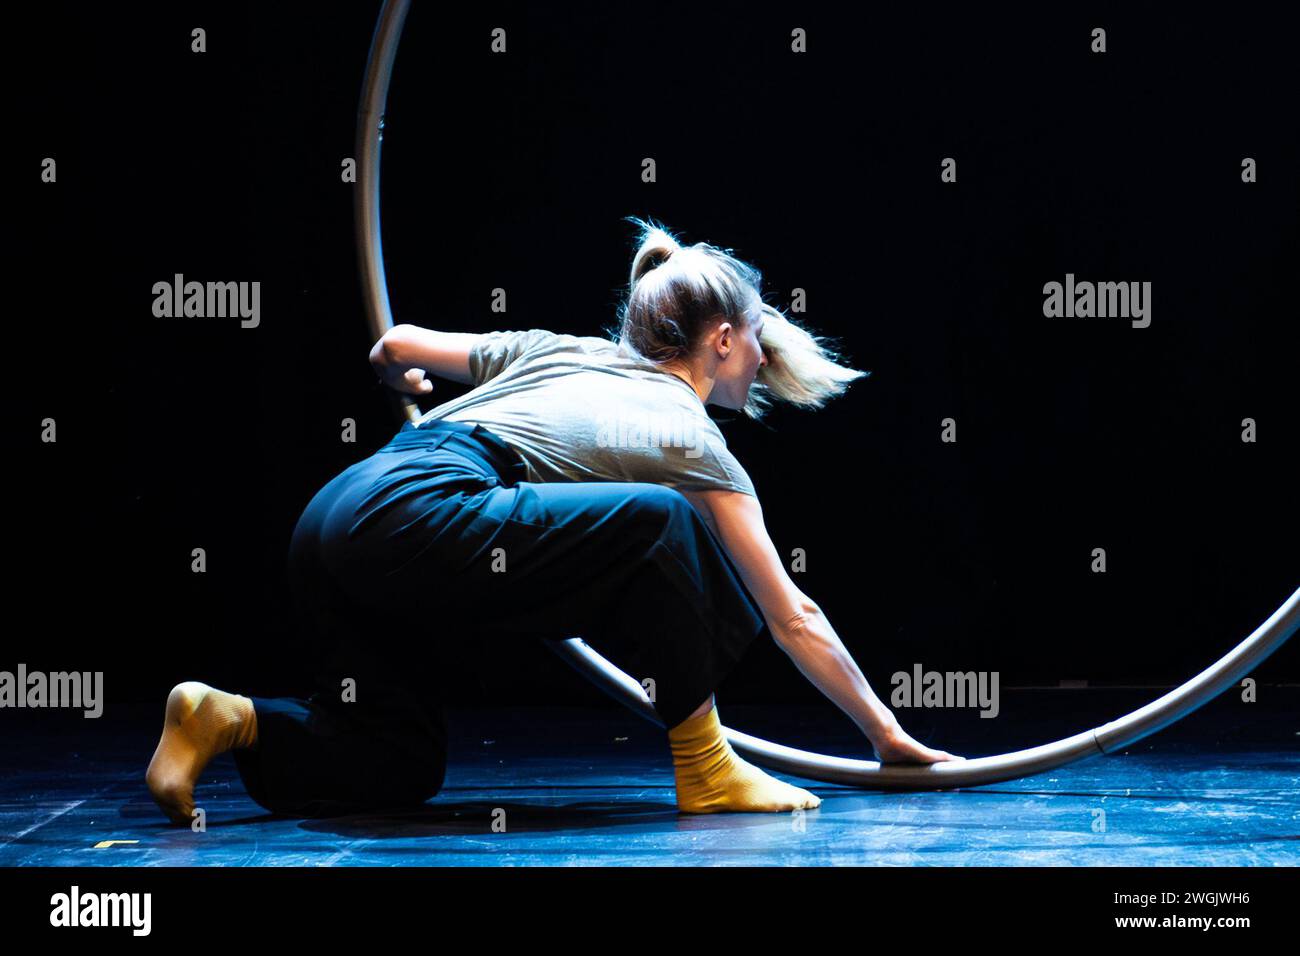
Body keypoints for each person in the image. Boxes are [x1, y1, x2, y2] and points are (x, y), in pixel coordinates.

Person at [146, 217, 962, 823]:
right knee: (658, 521)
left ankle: (225, 715)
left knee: (392, 761)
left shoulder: (561, 349)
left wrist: (404, 385)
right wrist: (887, 735)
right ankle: (707, 767)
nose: (759, 357)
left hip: (340, 510)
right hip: (425, 505)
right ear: (720, 339)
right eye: (755, 338)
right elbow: (794, 615)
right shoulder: (689, 438)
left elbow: (395, 345)